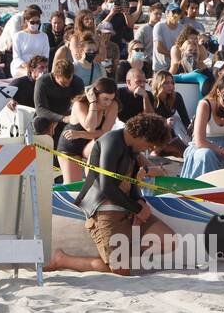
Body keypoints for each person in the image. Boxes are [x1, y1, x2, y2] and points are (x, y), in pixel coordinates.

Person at [46, 114, 174, 275]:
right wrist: (137, 208)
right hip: (104, 210)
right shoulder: (111, 141)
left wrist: (140, 201)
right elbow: (106, 186)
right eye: (149, 145)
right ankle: (62, 260)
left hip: (126, 207)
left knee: (170, 240)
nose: (147, 150)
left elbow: (132, 180)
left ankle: (124, 252)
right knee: (121, 271)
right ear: (142, 135)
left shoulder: (131, 148)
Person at [180, 74, 224, 180]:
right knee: (207, 155)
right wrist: (221, 151)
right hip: (203, 146)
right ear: (218, 92)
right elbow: (200, 141)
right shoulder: (205, 105)